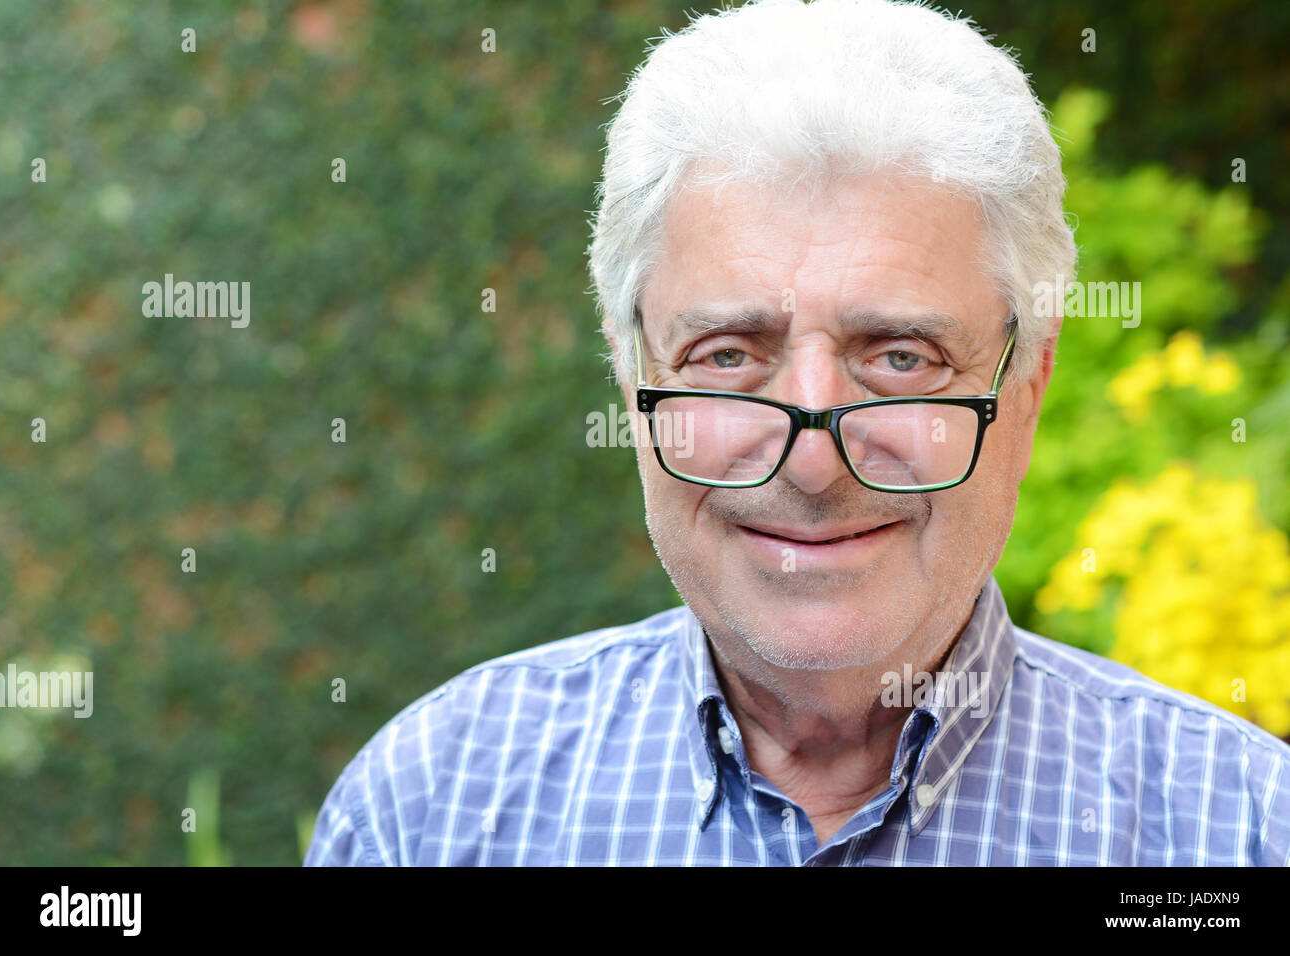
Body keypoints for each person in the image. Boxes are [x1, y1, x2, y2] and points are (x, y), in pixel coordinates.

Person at [305, 0, 1290, 866]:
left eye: (899, 356)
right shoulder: (429, 812)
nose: (813, 461)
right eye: (728, 355)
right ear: (630, 371)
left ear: (1025, 384)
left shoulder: (1237, 829)